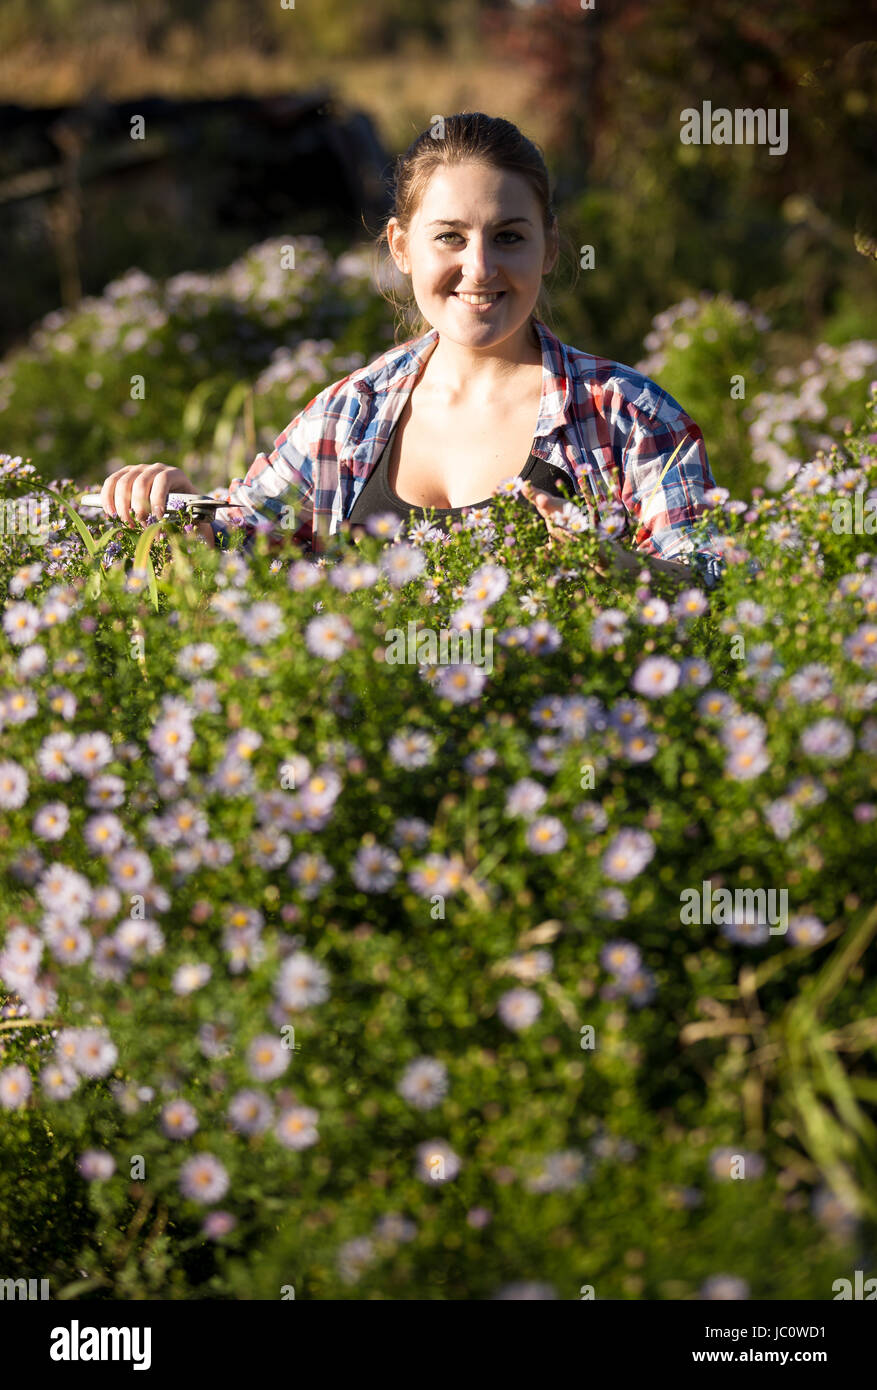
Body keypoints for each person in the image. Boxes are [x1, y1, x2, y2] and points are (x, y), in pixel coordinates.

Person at [99, 112, 724, 587]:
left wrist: (620, 570)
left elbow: (713, 588)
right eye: (449, 236)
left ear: (550, 247)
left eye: (509, 236)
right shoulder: (350, 416)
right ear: (400, 246)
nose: (479, 268)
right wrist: (178, 508)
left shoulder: (627, 416)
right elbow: (245, 543)